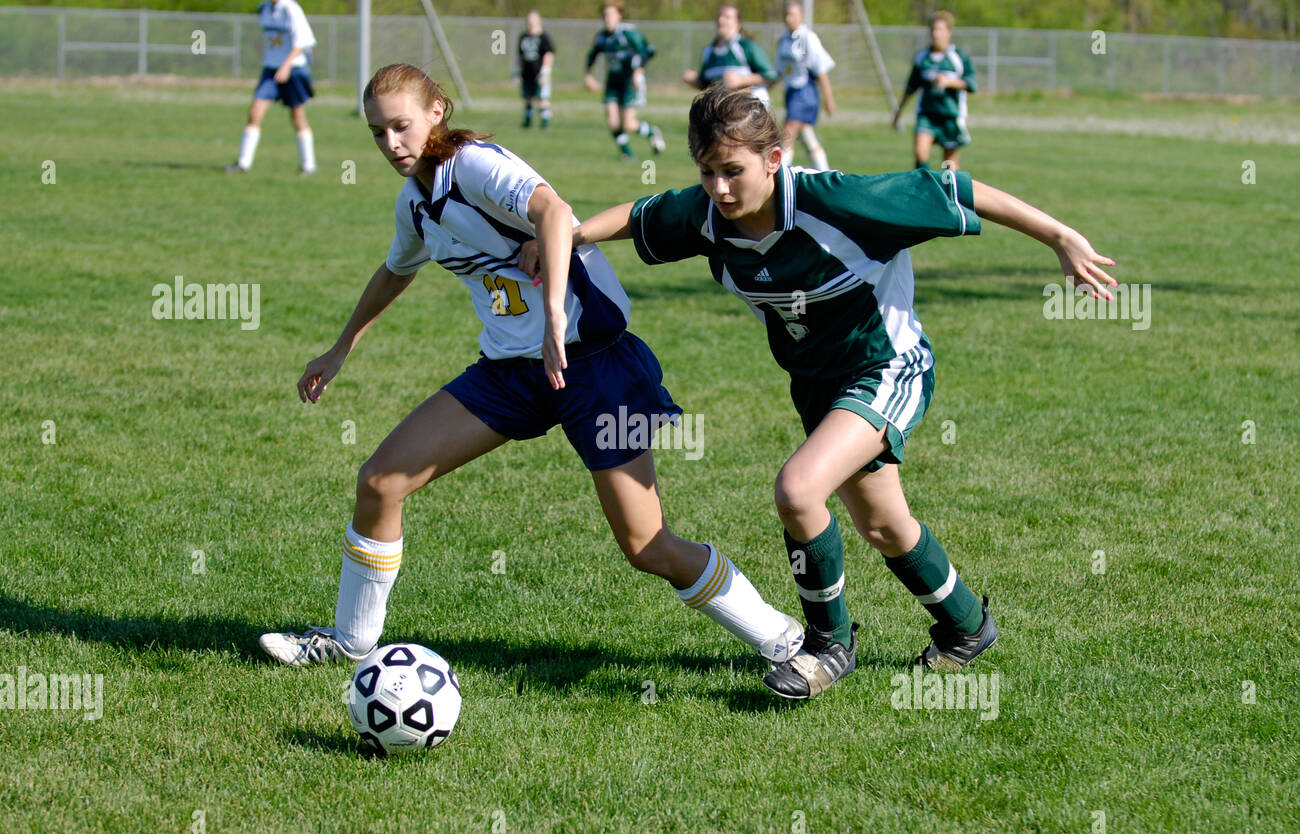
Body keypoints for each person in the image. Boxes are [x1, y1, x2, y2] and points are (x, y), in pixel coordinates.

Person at [520, 88, 1116, 699]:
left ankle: (827, 647)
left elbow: (958, 190)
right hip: (816, 386)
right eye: (707, 172)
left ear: (774, 158)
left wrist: (1060, 237)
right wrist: (563, 237)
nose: (720, 188)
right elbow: (638, 217)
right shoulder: (706, 214)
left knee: (798, 489)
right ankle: (966, 627)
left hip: (886, 368)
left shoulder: (836, 201)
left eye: (734, 172)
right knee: (883, 524)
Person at [258, 66, 805, 684]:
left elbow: (553, 209)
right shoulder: (417, 201)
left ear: (437, 110)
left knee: (645, 545)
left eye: (401, 126)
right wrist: (339, 348)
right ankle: (351, 643)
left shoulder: (475, 165)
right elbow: (394, 271)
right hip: (511, 373)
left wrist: (551, 316)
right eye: (377, 133)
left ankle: (780, 635)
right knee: (381, 481)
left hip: (593, 365)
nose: (391, 144)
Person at [227, 0, 317, 175]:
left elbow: (302, 42)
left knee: (297, 116)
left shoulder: (291, 8)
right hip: (270, 68)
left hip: (293, 69)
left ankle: (308, 165)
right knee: (255, 111)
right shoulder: (264, 8)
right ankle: (243, 164)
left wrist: (286, 66)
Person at [891, 10, 976, 171]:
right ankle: (924, 191)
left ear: (948, 32)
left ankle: (949, 194)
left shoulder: (957, 58)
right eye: (933, 30)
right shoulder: (922, 58)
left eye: (940, 29)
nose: (936, 34)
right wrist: (898, 113)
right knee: (920, 153)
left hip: (950, 116)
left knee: (949, 164)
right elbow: (910, 88)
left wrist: (950, 82)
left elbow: (971, 84)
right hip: (927, 115)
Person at [583, 2, 665, 159]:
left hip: (629, 83)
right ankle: (627, 153)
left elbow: (648, 50)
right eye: (605, 15)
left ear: (619, 16)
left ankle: (651, 132)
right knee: (612, 121)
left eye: (611, 15)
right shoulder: (603, 37)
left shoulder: (628, 33)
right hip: (612, 83)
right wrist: (588, 75)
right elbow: (592, 55)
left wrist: (637, 72)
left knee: (628, 124)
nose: (608, 19)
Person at [772, 0, 836, 170]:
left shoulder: (808, 38)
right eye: (786, 14)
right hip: (791, 93)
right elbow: (779, 72)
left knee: (787, 134)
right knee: (807, 137)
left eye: (792, 14)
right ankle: (825, 174)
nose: (788, 18)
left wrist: (829, 99)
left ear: (801, 16)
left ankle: (779, 174)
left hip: (805, 92)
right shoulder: (784, 40)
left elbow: (821, 70)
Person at [682, 3, 777, 106]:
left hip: (749, 109)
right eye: (719, 16)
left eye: (727, 17)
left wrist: (742, 80)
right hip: (721, 110)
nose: (721, 20)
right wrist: (695, 80)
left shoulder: (746, 46)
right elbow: (707, 86)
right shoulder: (709, 51)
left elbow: (770, 76)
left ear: (738, 23)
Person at [517, 11, 555, 130]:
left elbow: (548, 54)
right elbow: (520, 55)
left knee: (543, 98)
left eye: (534, 19)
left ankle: (545, 123)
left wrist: (545, 71)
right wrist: (518, 70)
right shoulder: (523, 37)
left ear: (539, 20)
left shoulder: (543, 37)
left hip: (540, 73)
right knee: (528, 98)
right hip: (527, 73)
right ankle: (527, 122)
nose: (531, 22)